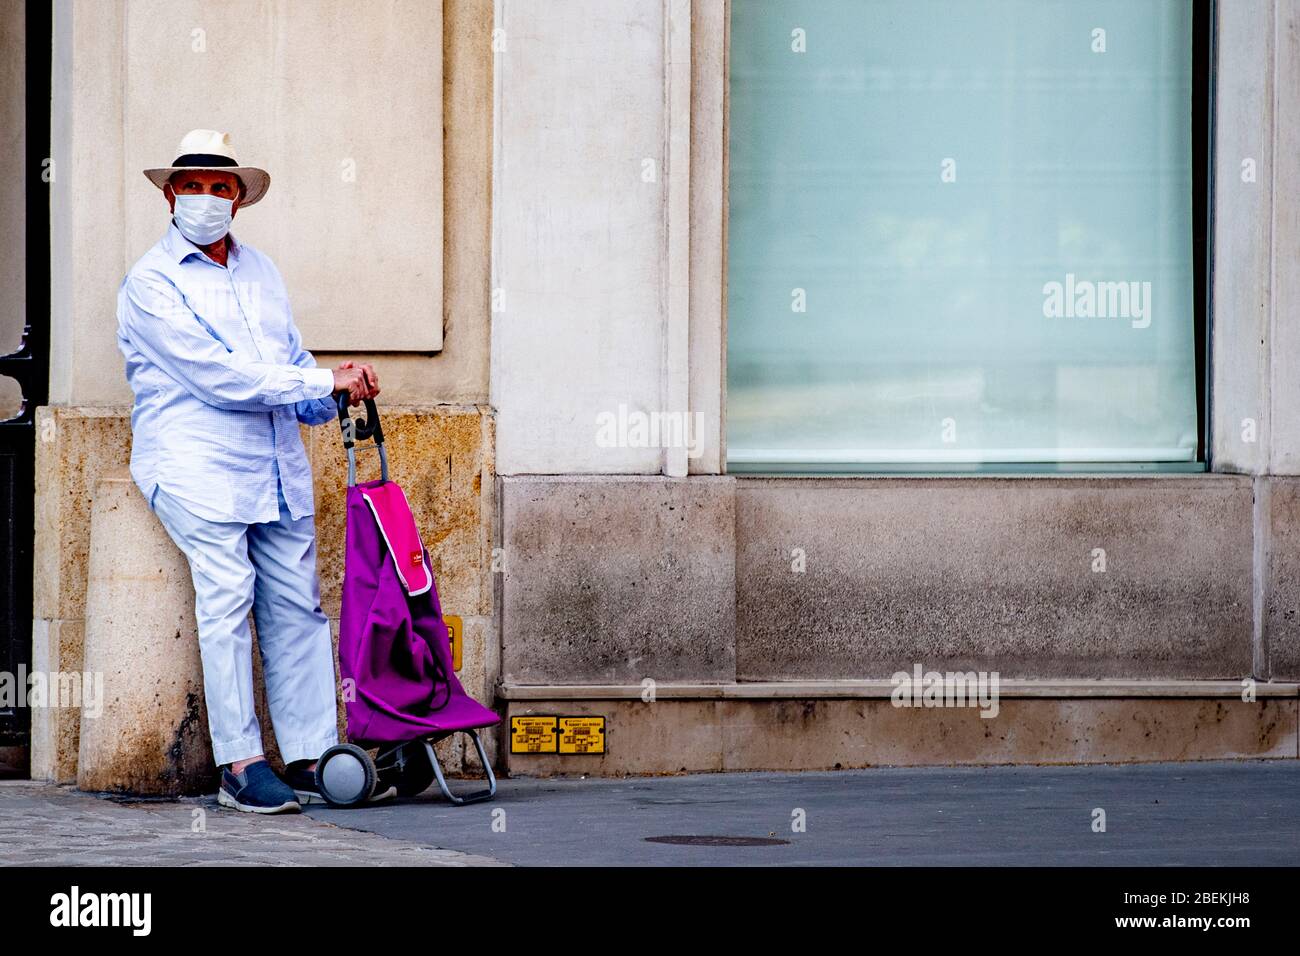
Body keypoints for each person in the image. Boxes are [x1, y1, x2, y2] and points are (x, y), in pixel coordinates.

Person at [116, 129, 380, 813]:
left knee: (298, 606)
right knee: (228, 597)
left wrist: (332, 391)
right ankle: (240, 764)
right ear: (171, 195)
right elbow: (219, 378)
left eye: (220, 188)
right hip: (196, 466)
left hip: (275, 468)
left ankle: (309, 756)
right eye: (193, 186)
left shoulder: (262, 271)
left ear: (240, 200)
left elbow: (288, 363)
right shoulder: (150, 282)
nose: (206, 198)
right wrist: (320, 375)